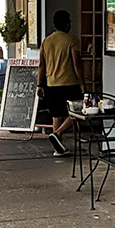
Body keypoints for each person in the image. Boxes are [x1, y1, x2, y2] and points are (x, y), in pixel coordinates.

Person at [38, 10, 85, 155]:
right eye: (69, 22)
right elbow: (76, 63)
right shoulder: (72, 40)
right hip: (70, 82)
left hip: (51, 84)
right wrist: (82, 83)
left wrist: (39, 84)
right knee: (78, 112)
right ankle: (57, 134)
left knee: (56, 115)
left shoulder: (46, 41)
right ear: (66, 24)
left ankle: (57, 148)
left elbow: (41, 65)